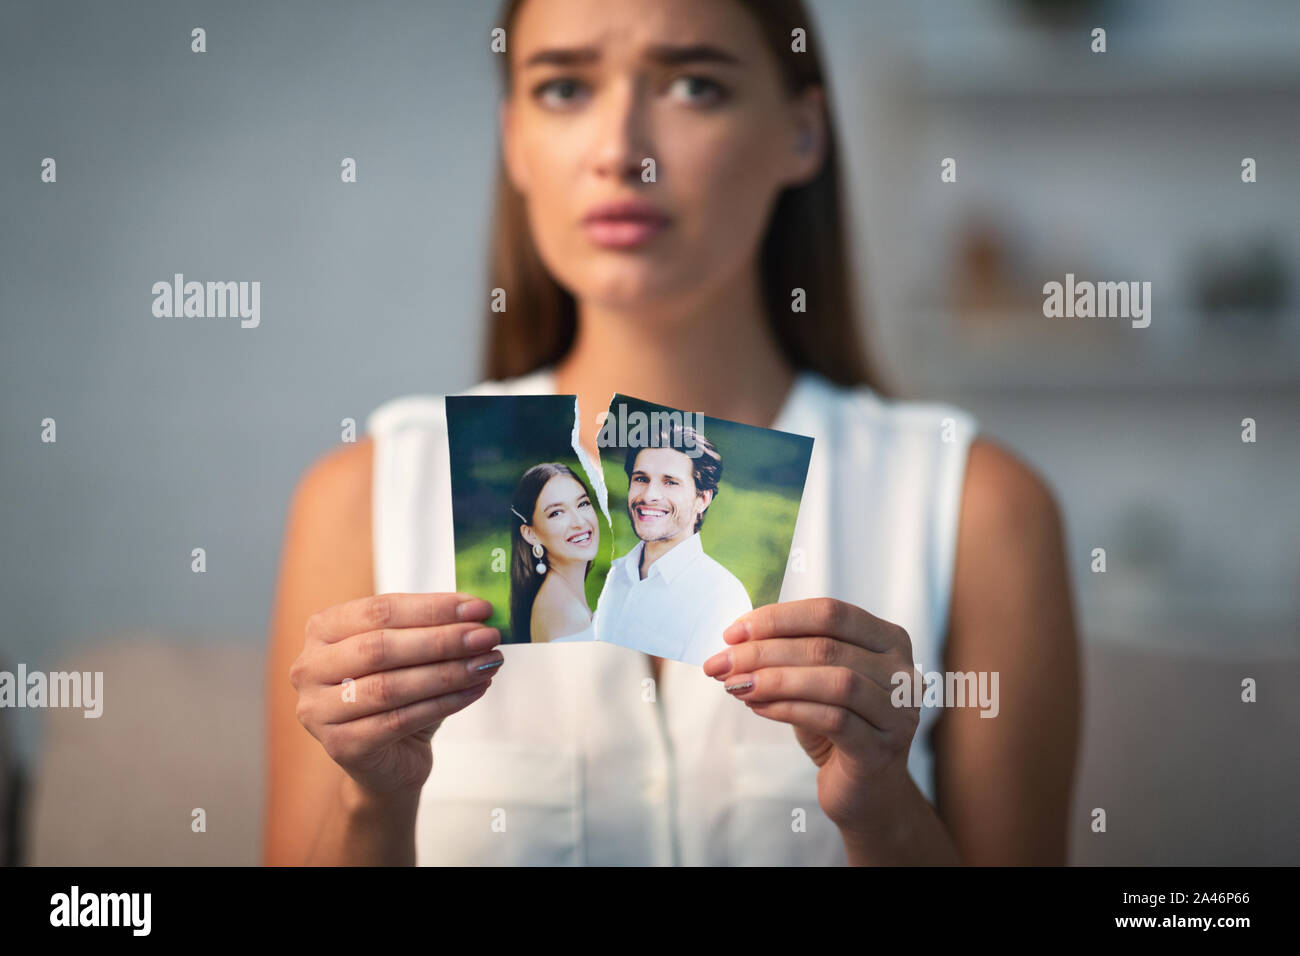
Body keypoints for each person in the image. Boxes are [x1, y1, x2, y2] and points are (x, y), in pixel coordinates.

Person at [265, 0, 1079, 866]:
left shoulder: (979, 507)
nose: (620, 150)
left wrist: (880, 807)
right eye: (565, 87)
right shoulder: (365, 495)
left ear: (802, 133)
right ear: (515, 141)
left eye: (695, 85)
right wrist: (369, 802)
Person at [594, 425, 752, 665]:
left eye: (670, 482)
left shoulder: (723, 597)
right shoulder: (614, 577)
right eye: (641, 479)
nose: (649, 495)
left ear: (702, 499)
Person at [508, 462, 600, 644]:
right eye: (557, 513)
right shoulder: (568, 612)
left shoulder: (556, 598)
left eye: (583, 504)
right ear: (531, 534)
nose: (579, 521)